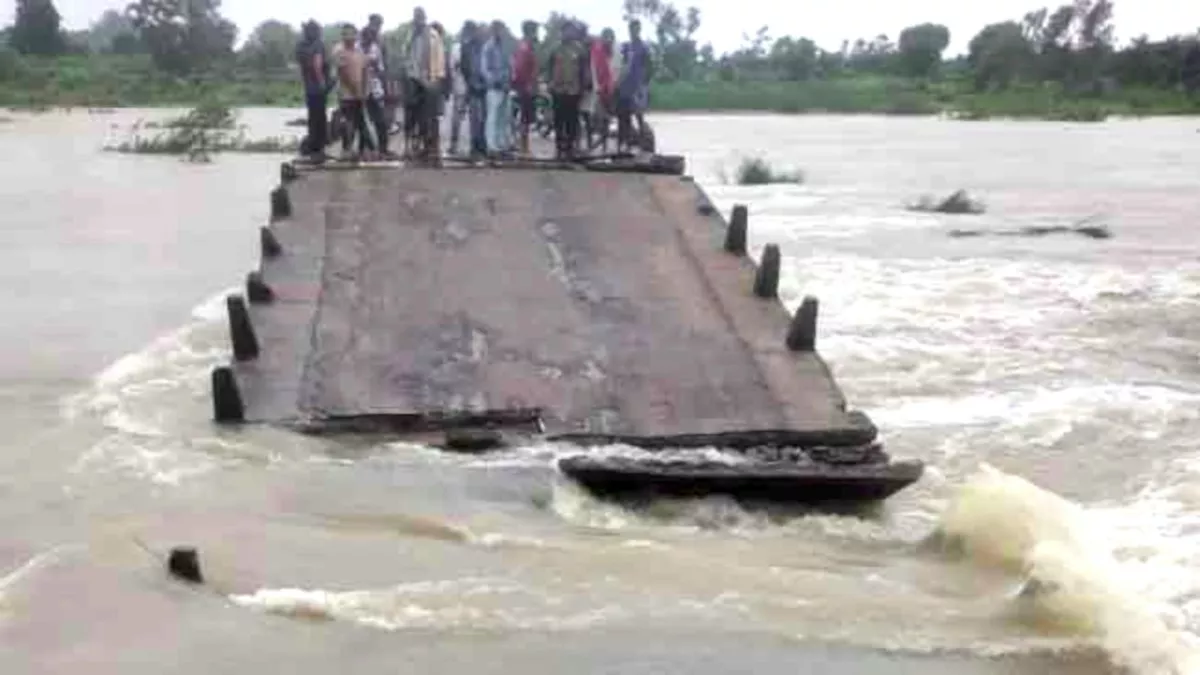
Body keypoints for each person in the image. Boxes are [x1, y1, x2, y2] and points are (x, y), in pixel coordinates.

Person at [546, 21, 591, 159]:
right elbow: (549, 68)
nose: (569, 33)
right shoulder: (555, 49)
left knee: (572, 121)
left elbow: (584, 70)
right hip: (558, 90)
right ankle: (559, 149)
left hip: (574, 90)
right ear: (562, 32)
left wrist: (585, 87)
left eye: (572, 31)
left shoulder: (580, 50)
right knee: (559, 121)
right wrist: (549, 84)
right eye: (567, 31)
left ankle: (570, 149)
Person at [332, 23, 374, 159]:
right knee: (348, 122)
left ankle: (364, 150)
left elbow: (365, 70)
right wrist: (357, 92)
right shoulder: (339, 51)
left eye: (351, 34)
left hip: (360, 93)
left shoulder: (359, 51)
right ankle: (346, 150)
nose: (348, 37)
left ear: (355, 36)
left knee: (360, 122)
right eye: (345, 34)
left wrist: (364, 90)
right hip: (346, 94)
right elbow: (344, 75)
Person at [295, 20, 331, 159]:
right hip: (318, 87)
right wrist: (322, 82)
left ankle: (313, 147)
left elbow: (303, 66)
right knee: (320, 118)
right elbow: (317, 64)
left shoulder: (300, 46)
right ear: (315, 31)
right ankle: (318, 150)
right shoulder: (318, 44)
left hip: (309, 87)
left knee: (312, 118)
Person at [616, 19, 653, 153]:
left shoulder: (644, 47)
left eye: (636, 29)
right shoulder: (625, 46)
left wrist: (644, 85)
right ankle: (623, 144)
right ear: (629, 30)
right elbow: (619, 65)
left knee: (639, 116)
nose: (633, 31)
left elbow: (649, 67)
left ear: (639, 30)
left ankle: (644, 145)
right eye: (631, 28)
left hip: (638, 87)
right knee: (623, 116)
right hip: (625, 86)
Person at [481, 20, 512, 157]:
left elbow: (510, 66)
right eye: (498, 29)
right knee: (492, 117)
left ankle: (500, 145)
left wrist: (509, 80)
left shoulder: (505, 47)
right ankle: (491, 146)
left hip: (505, 86)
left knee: (503, 118)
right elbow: (484, 68)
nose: (501, 32)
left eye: (502, 29)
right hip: (494, 87)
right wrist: (493, 81)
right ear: (493, 31)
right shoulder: (488, 47)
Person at [360, 25, 391, 158]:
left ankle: (383, 149)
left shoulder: (375, 49)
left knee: (380, 121)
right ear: (363, 37)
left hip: (374, 89)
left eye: (372, 38)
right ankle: (364, 149)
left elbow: (381, 70)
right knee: (362, 121)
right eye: (368, 37)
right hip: (359, 90)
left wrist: (386, 89)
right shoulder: (356, 48)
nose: (370, 40)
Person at [510, 20, 539, 157]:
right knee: (525, 118)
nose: (537, 34)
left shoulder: (526, 46)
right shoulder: (525, 47)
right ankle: (523, 147)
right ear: (530, 31)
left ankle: (523, 146)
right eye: (535, 31)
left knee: (525, 118)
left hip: (527, 85)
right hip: (525, 86)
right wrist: (526, 84)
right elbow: (520, 67)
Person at [588, 28, 616, 153]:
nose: (608, 40)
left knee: (606, 119)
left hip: (610, 89)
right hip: (599, 88)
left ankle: (602, 146)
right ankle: (593, 144)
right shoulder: (597, 49)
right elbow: (594, 68)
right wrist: (596, 86)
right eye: (606, 37)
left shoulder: (613, 51)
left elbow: (615, 70)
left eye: (611, 37)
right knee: (594, 117)